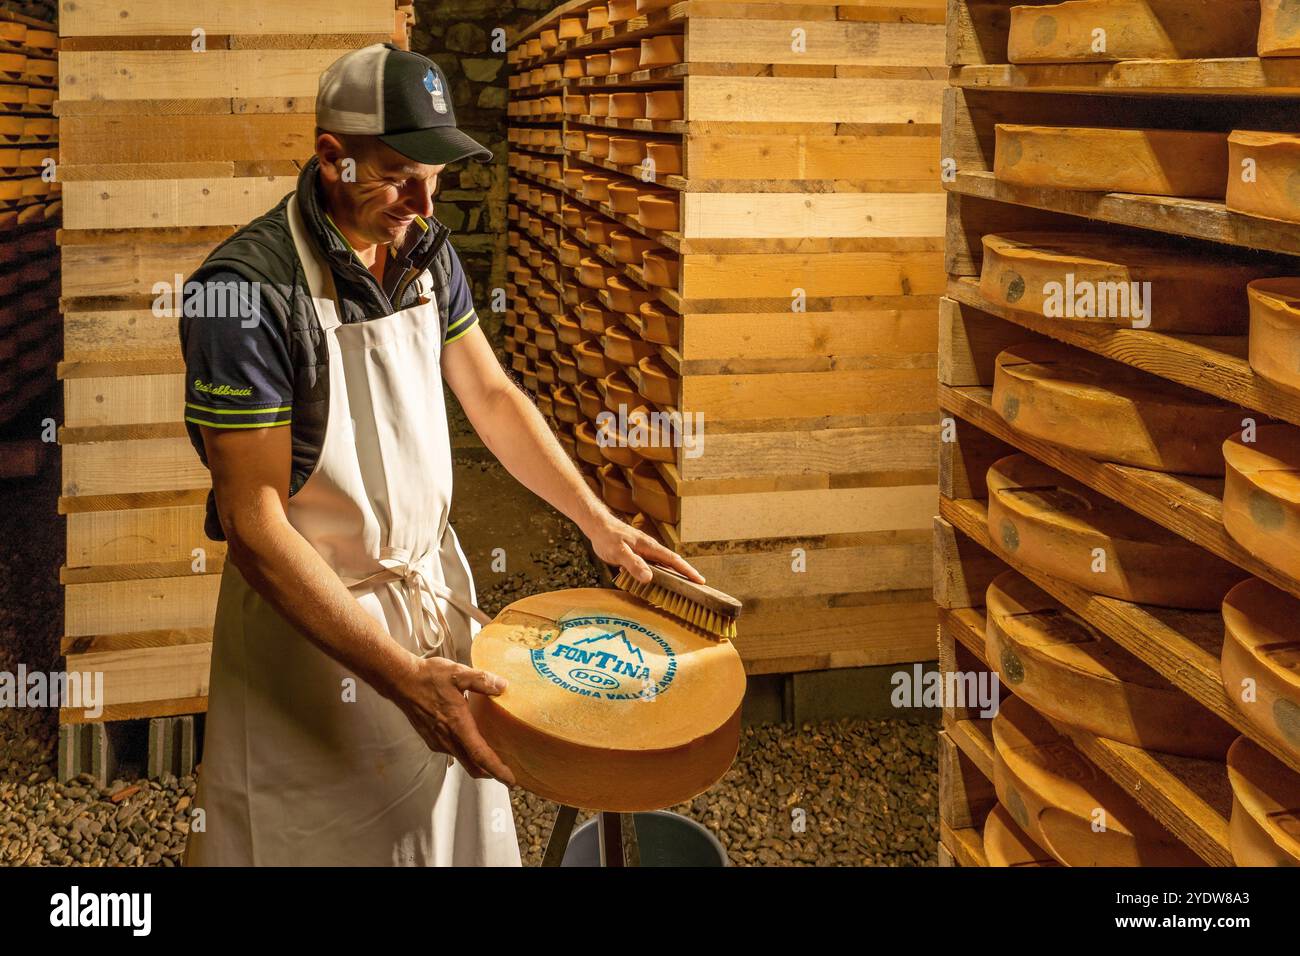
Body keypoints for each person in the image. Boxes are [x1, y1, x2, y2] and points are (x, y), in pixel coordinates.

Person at [179, 43, 702, 866]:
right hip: (318, 632)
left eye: (436, 175)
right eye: (398, 175)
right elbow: (255, 524)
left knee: (444, 844)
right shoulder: (246, 293)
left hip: (426, 598)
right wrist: (396, 675)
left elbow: (491, 398)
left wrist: (599, 524)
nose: (422, 202)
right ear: (331, 156)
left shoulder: (426, 252)